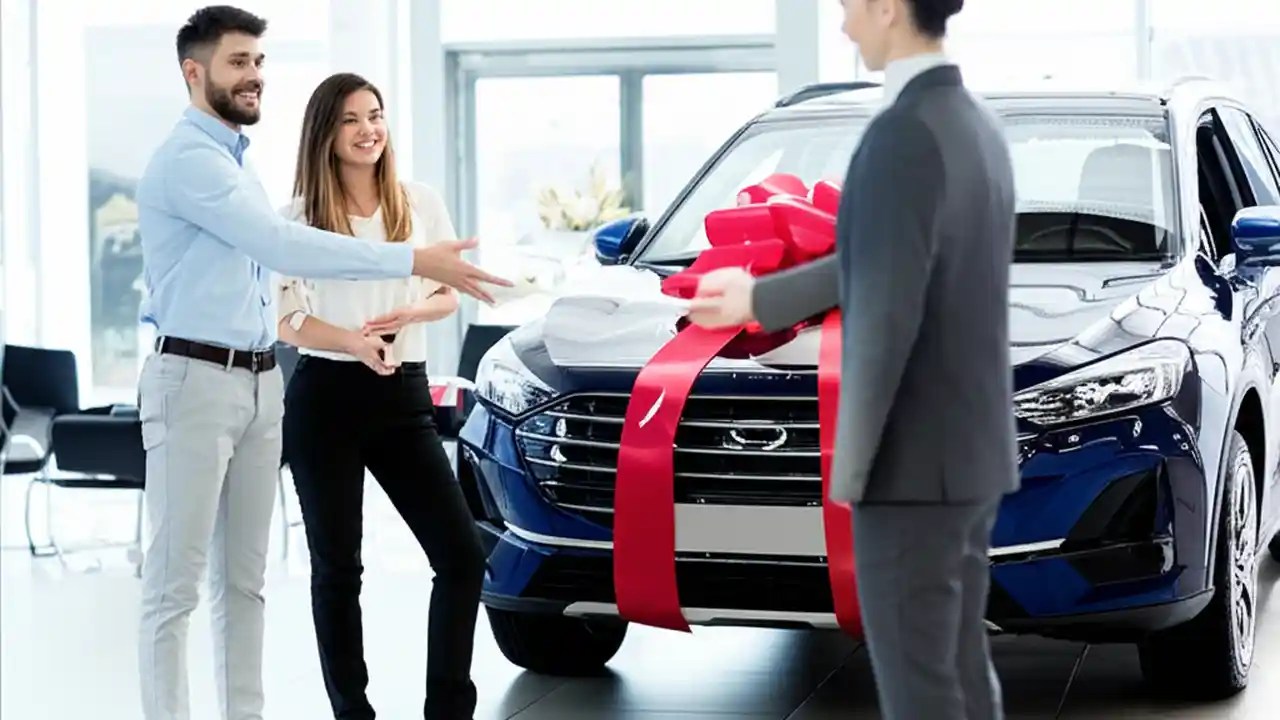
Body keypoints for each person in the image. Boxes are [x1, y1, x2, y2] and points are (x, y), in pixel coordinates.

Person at [134, 7, 508, 720]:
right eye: (238, 61)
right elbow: (282, 251)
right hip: (203, 379)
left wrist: (410, 292)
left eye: (259, 61)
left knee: (243, 585)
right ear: (194, 71)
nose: (255, 75)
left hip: (258, 380)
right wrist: (411, 261)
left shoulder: (235, 163)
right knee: (177, 585)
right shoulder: (193, 163)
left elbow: (269, 284)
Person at [687, 1, 1017, 718]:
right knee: (961, 669)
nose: (843, 25)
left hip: (910, 465)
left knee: (920, 686)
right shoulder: (975, 125)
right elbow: (878, 258)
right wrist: (757, 298)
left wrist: (854, 467)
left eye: (847, 6)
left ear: (887, 8)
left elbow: (888, 305)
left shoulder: (902, 133)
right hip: (969, 454)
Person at [276, 72, 484, 720]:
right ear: (325, 133)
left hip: (403, 396)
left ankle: (447, 709)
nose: (368, 130)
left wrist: (411, 313)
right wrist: (353, 342)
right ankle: (353, 713)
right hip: (325, 399)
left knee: (462, 558)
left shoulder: (417, 202)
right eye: (351, 119)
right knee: (338, 569)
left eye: (376, 115)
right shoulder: (297, 219)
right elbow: (285, 320)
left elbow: (448, 292)